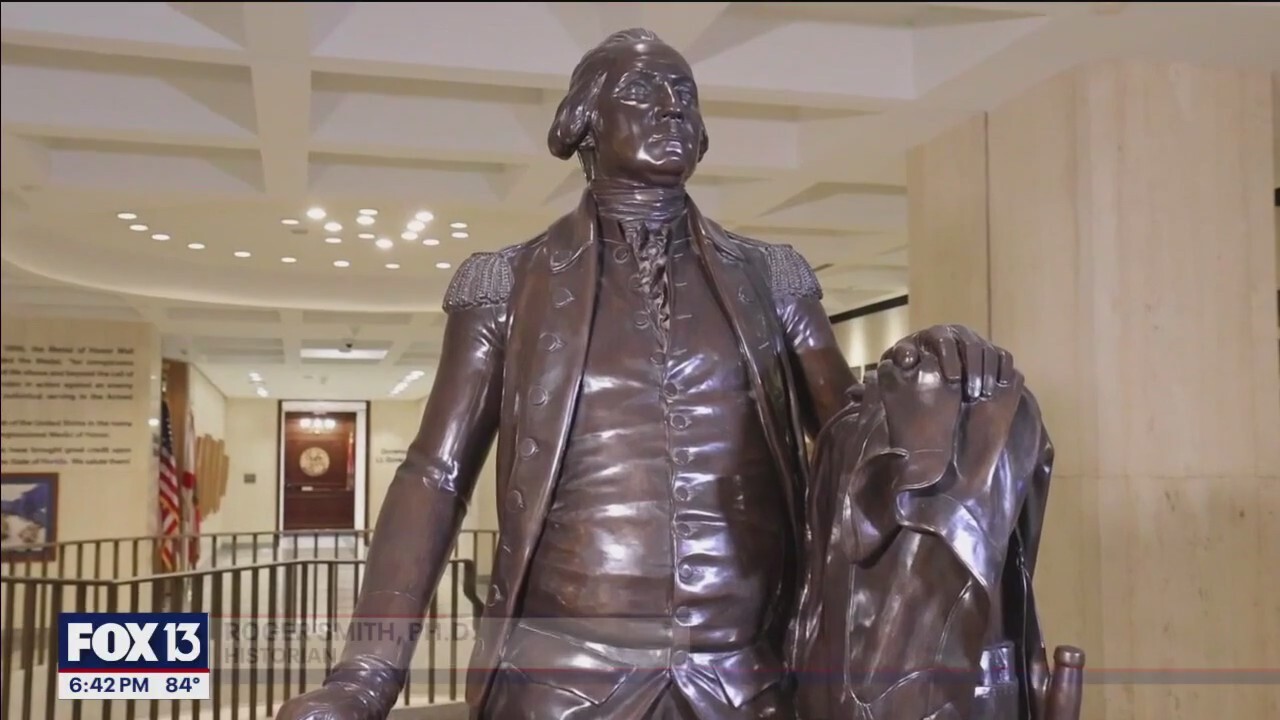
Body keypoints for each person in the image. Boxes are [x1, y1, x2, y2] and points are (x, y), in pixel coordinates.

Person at [275, 28, 1010, 720]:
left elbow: (856, 443)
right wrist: (366, 675)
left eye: (685, 97)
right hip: (564, 680)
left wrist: (931, 376)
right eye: (644, 93)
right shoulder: (506, 284)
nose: (672, 111)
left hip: (747, 676)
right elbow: (433, 477)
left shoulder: (773, 278)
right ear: (583, 123)